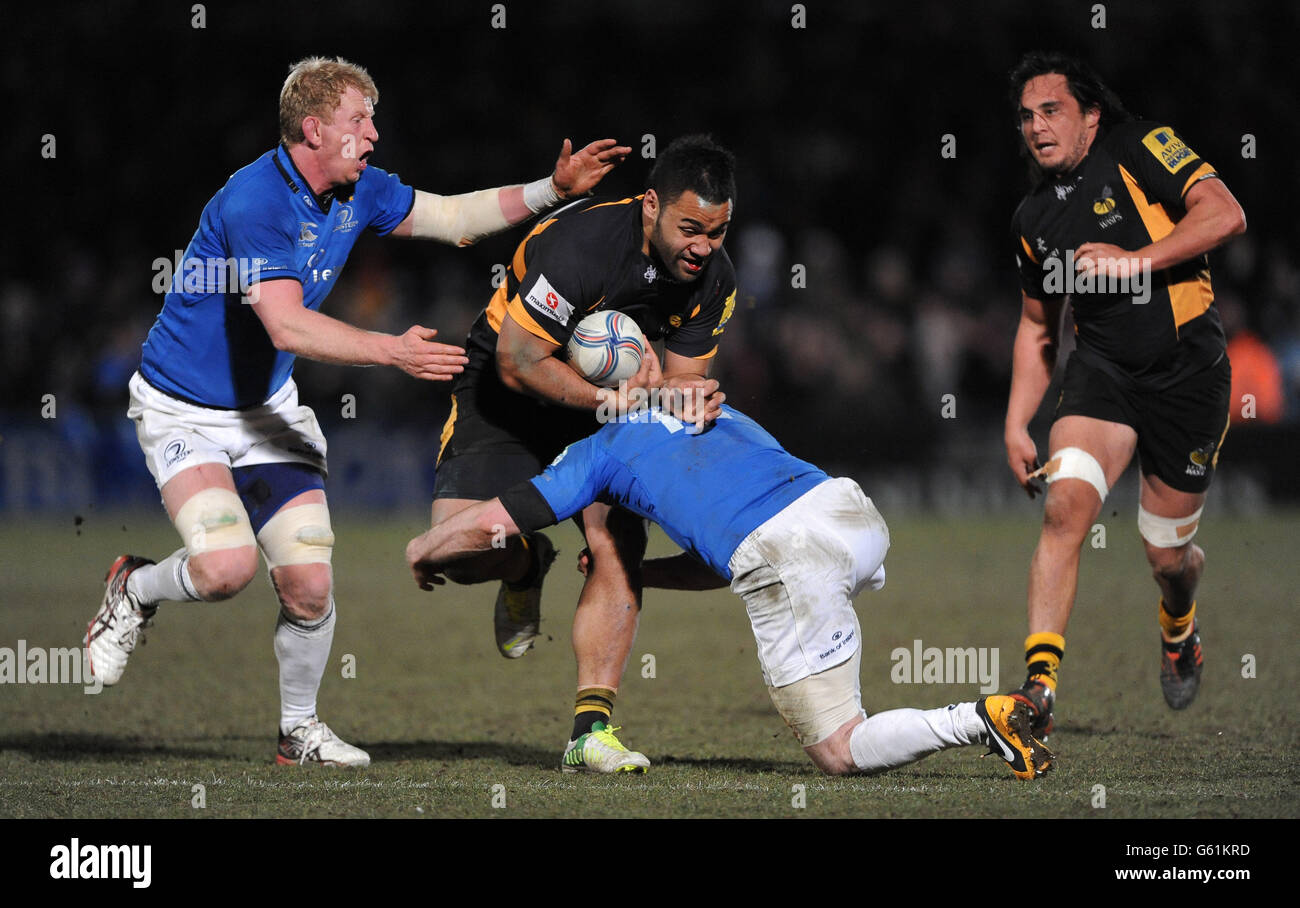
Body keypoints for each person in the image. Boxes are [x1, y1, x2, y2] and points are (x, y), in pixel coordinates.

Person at [83, 56, 629, 767]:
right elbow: (287, 327)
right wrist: (393, 352)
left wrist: (551, 189)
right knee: (224, 570)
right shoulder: (255, 203)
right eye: (358, 120)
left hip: (267, 410)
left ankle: (298, 733)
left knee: (308, 584)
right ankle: (134, 587)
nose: (374, 132)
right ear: (313, 129)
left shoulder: (358, 189)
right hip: (184, 410)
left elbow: (452, 217)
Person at [406, 403, 1054, 780]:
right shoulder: (705, 402)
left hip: (789, 556)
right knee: (794, 576)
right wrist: (650, 573)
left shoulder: (595, 448)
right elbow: (731, 551)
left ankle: (976, 720)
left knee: (838, 750)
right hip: (850, 514)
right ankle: (840, 630)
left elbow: (502, 518)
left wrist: (426, 544)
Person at [429, 135, 735, 771]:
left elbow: (681, 381)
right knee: (458, 553)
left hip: (608, 410)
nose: (703, 247)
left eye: (717, 231)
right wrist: (615, 404)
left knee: (617, 542)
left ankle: (590, 731)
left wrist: (680, 397)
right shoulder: (583, 245)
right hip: (507, 393)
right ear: (650, 206)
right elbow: (518, 362)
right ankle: (523, 565)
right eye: (690, 229)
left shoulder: (714, 280)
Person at [1003, 51, 1246, 735]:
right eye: (1026, 116)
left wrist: (1134, 261)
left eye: (1051, 110)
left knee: (1167, 558)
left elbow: (1226, 213)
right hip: (1103, 375)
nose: (1037, 126)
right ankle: (1039, 690)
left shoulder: (1138, 148)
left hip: (1189, 374)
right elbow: (1035, 328)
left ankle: (1179, 626)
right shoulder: (1033, 219)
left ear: (1091, 114)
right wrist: (1017, 422)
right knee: (1065, 510)